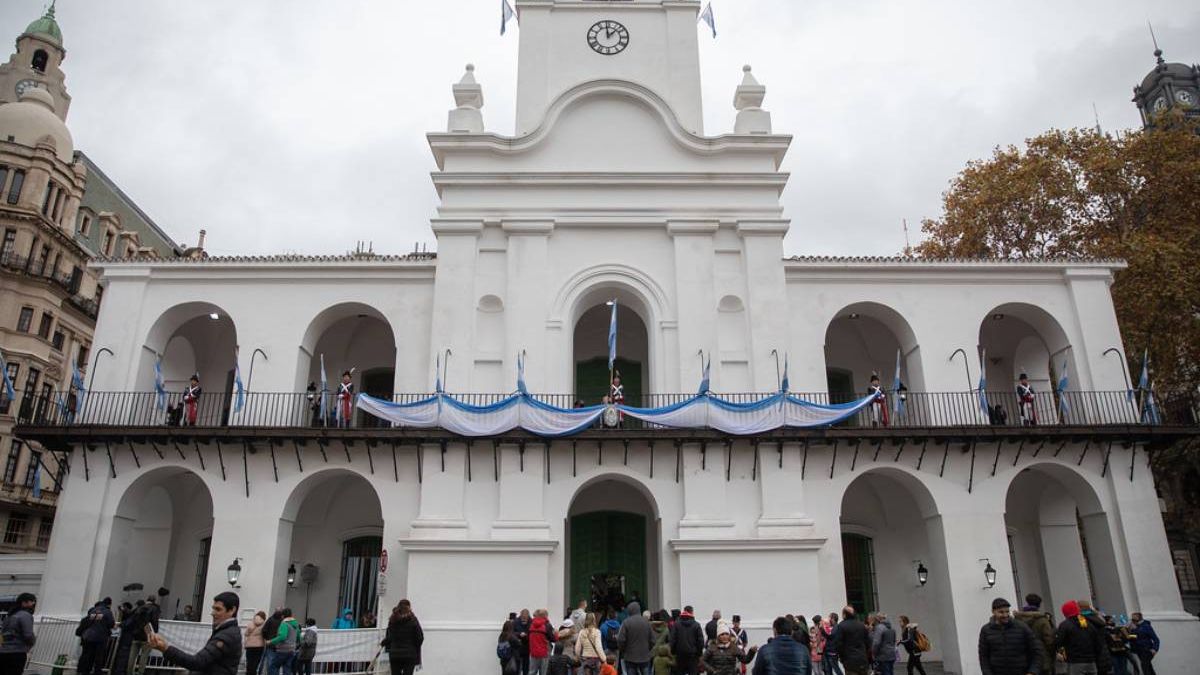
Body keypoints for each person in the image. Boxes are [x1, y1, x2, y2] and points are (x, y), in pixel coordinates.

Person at [145, 591, 243, 675]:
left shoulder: (226, 635)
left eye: (218, 609)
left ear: (232, 610)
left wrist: (165, 648)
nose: (212, 613)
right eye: (213, 608)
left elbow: (198, 662)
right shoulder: (225, 631)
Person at [977, 597, 1038, 675]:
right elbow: (983, 656)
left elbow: (1036, 651)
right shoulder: (986, 630)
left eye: (1007, 611)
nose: (1005, 615)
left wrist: (1033, 672)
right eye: (1001, 612)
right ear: (993, 612)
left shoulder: (1022, 627)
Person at [1055, 600, 1106, 675]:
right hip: (1091, 662)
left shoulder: (1065, 625)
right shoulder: (1087, 623)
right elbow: (1098, 643)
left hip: (1075, 663)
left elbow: (1059, 642)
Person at [1014, 594, 1055, 675]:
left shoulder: (1017, 620)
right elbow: (1049, 640)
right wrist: (1052, 654)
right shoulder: (1043, 620)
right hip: (1042, 659)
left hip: (1024, 658)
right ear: (1039, 605)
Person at [381, 599, 424, 675]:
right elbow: (420, 637)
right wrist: (415, 646)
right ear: (409, 607)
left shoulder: (393, 619)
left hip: (395, 654)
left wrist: (384, 643)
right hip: (409, 654)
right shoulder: (413, 620)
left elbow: (390, 636)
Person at [0, 592, 37, 675]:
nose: (34, 604)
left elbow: (2, 634)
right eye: (32, 602)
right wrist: (32, 643)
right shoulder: (25, 615)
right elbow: (28, 635)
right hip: (17, 653)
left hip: (3, 652)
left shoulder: (9, 616)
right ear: (24, 603)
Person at [77, 598, 116, 675]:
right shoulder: (107, 612)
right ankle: (97, 672)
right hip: (100, 637)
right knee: (99, 657)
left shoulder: (94, 610)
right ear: (109, 604)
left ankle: (85, 671)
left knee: (89, 655)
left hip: (89, 636)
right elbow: (111, 623)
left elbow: (90, 621)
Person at [617, 601, 655, 675]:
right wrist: (647, 649)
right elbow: (653, 640)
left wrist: (624, 651)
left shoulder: (626, 622)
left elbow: (621, 640)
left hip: (630, 657)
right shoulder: (646, 622)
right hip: (644, 656)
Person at [831, 607, 870, 675]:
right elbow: (867, 642)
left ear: (844, 614)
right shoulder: (861, 625)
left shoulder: (841, 626)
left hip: (849, 660)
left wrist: (842, 657)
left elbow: (838, 644)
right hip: (862, 658)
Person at [669, 606, 706, 675]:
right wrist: (699, 653)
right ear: (692, 612)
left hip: (680, 654)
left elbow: (673, 639)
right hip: (693, 655)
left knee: (680, 672)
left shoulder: (676, 624)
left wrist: (673, 651)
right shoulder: (696, 625)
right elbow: (700, 641)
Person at [267, 608, 300, 675]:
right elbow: (299, 637)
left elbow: (282, 636)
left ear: (282, 615)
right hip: (292, 650)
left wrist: (271, 641)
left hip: (283, 650)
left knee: (273, 666)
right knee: (287, 668)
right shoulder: (296, 625)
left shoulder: (284, 624)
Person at [528, 609, 557, 675]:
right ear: (545, 616)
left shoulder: (531, 624)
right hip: (544, 652)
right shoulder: (547, 625)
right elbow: (553, 639)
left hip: (533, 651)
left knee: (532, 671)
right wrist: (556, 633)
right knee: (543, 672)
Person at [243, 610, 267, 675]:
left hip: (250, 645)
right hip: (260, 646)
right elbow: (265, 634)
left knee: (249, 663)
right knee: (255, 663)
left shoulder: (251, 623)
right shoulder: (264, 624)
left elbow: (246, 634)